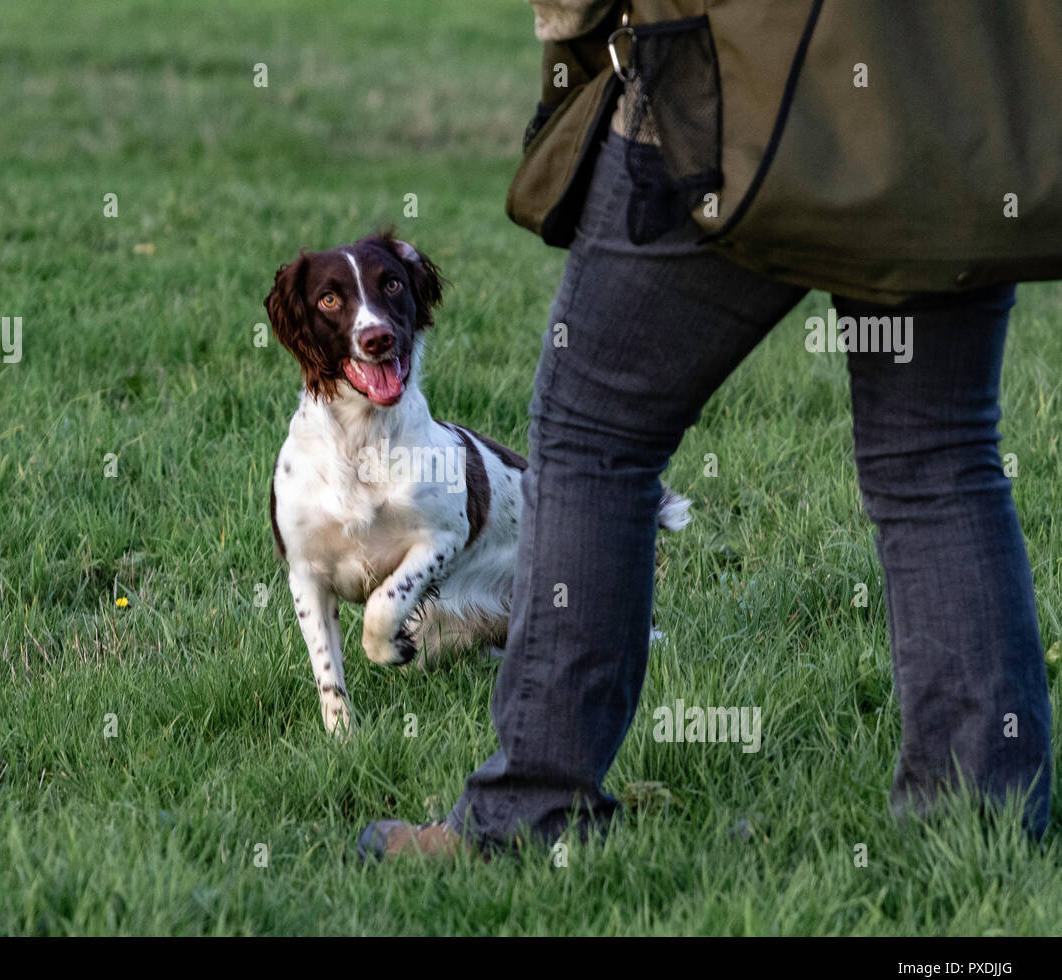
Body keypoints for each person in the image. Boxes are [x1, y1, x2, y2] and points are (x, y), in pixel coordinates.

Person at [357, 0, 1053, 860]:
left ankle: (527, 817)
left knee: (593, 438)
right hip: (948, 117)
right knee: (938, 459)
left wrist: (571, 51)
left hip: (731, 94)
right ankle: (977, 831)